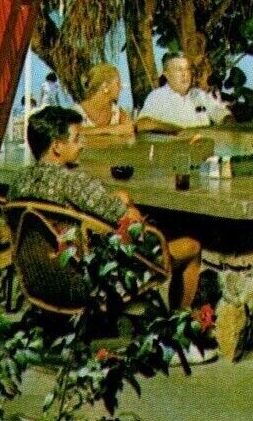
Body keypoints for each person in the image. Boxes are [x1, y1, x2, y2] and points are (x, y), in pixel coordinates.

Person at [12, 107, 213, 362]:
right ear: (57, 147)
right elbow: (132, 226)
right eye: (76, 139)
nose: (82, 145)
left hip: (41, 278)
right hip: (87, 283)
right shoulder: (74, 182)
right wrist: (131, 208)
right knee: (191, 246)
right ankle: (174, 337)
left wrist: (118, 199)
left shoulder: (20, 182)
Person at [137, 53, 231, 132]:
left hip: (204, 149)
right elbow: (143, 123)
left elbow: (222, 114)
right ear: (166, 74)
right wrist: (176, 130)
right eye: (179, 70)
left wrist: (229, 121)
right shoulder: (158, 96)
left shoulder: (199, 95)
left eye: (187, 69)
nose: (184, 74)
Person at [74, 63, 136, 139]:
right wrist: (111, 129)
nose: (121, 88)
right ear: (105, 86)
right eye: (118, 83)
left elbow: (129, 129)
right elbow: (73, 133)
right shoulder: (76, 112)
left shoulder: (117, 113)